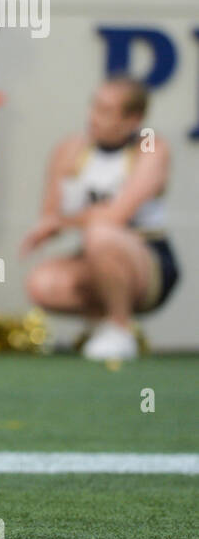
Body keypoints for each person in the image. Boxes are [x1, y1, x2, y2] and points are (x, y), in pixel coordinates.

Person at [22, 76, 179, 361]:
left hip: (148, 260)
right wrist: (50, 225)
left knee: (101, 233)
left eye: (106, 111)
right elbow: (50, 217)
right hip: (93, 255)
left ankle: (120, 328)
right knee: (41, 282)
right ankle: (100, 325)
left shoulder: (151, 148)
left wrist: (64, 222)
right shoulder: (70, 149)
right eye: (94, 106)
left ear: (133, 119)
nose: (94, 117)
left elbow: (118, 214)